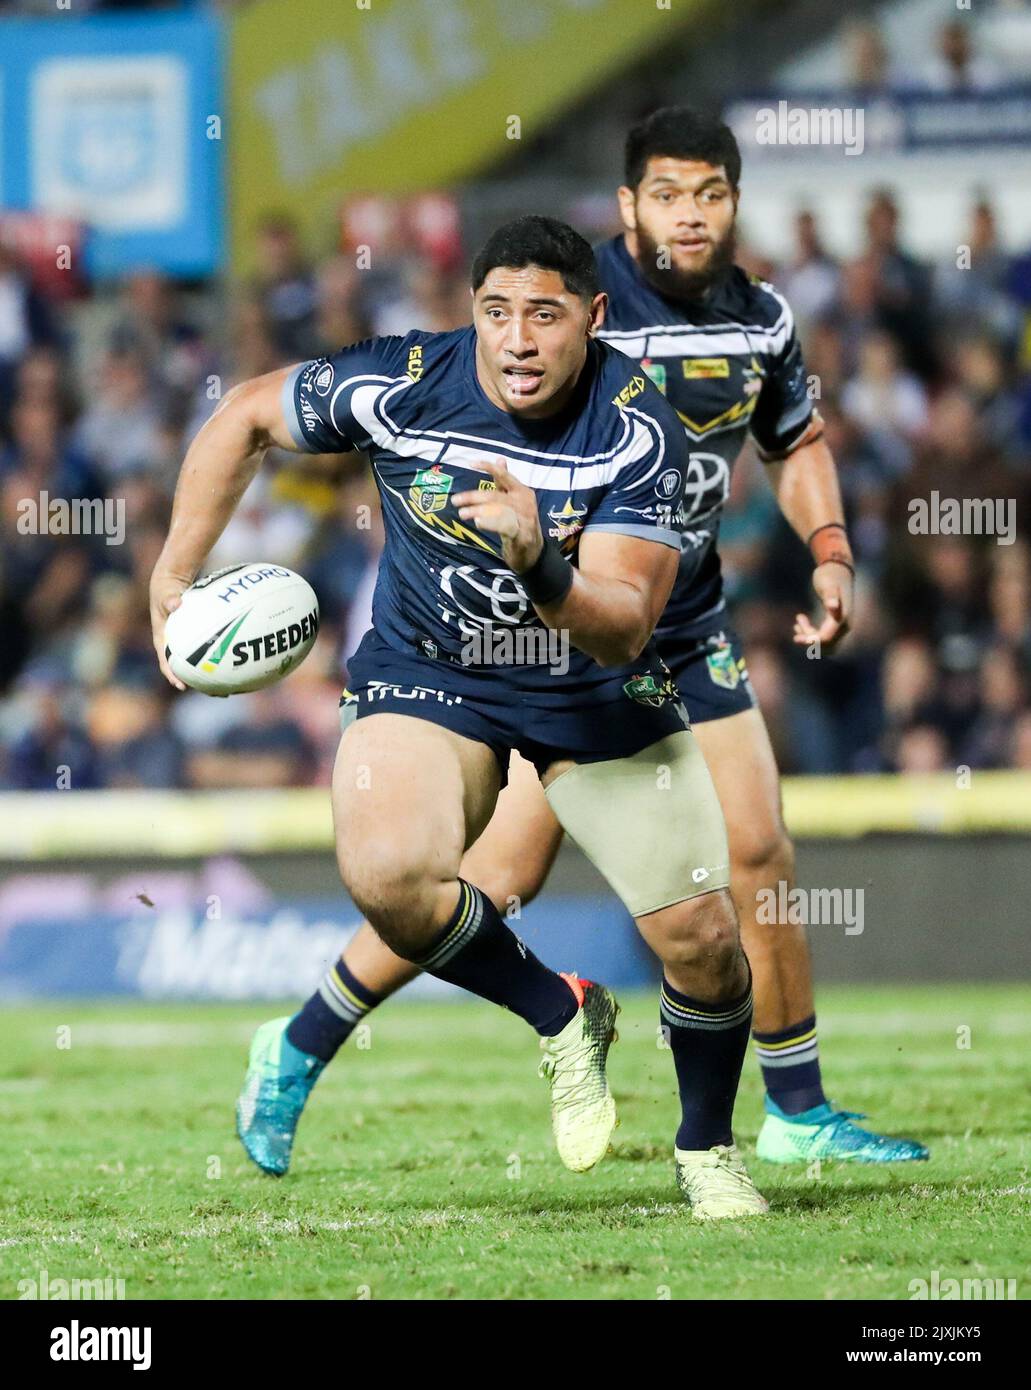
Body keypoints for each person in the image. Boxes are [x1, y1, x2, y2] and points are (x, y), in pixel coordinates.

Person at [260, 109, 929, 1172]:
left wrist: (832, 551)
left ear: (734, 202)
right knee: (495, 876)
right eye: (666, 193)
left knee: (758, 853)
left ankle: (793, 1106)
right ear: (627, 208)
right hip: (553, 635)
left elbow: (794, 439)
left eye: (709, 193)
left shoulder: (759, 319)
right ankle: (303, 1039)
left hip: (682, 618)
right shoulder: (566, 299)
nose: (689, 214)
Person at [150, 215, 768, 1220]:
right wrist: (174, 571)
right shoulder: (398, 381)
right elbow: (247, 418)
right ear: (467, 314)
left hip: (595, 689)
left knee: (698, 935)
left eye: (543, 314)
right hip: (435, 672)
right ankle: (558, 1014)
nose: (517, 339)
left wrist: (538, 560)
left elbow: (616, 630)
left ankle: (705, 1148)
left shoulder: (643, 431)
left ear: (592, 317)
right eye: (495, 313)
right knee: (390, 873)